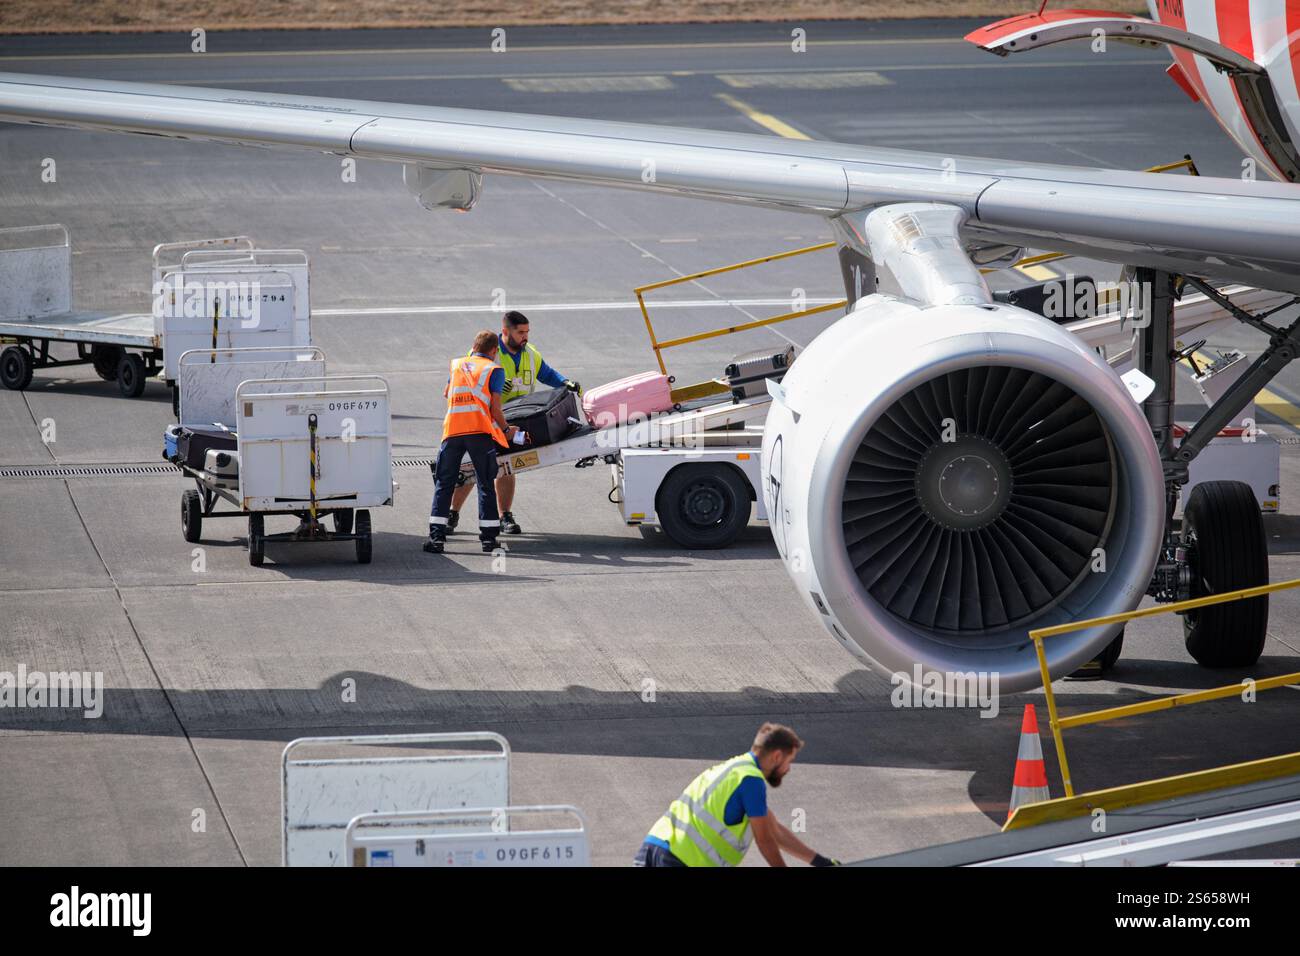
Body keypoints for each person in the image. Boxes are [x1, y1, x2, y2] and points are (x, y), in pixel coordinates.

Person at [634, 722, 840, 867]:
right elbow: (765, 840)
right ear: (777, 756)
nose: (789, 768)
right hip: (682, 860)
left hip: (653, 848)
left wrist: (820, 862)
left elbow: (773, 829)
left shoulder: (734, 770)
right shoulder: (751, 781)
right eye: (789, 760)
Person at [447, 310, 579, 535]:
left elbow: (545, 373)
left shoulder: (530, 353)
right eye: (520, 332)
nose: (525, 337)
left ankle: (504, 516)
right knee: (472, 469)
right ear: (505, 331)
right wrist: (492, 386)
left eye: (527, 332)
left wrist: (564, 382)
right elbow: (463, 380)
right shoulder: (486, 353)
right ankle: (452, 513)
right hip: (486, 421)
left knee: (508, 466)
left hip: (517, 419)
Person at [426, 331, 527, 554]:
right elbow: (495, 409)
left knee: (444, 483)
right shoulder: (493, 370)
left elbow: (446, 393)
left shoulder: (456, 365)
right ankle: (488, 540)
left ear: (473, 346)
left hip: (452, 431)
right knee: (485, 483)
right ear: (494, 351)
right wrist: (507, 430)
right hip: (479, 433)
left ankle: (436, 539)